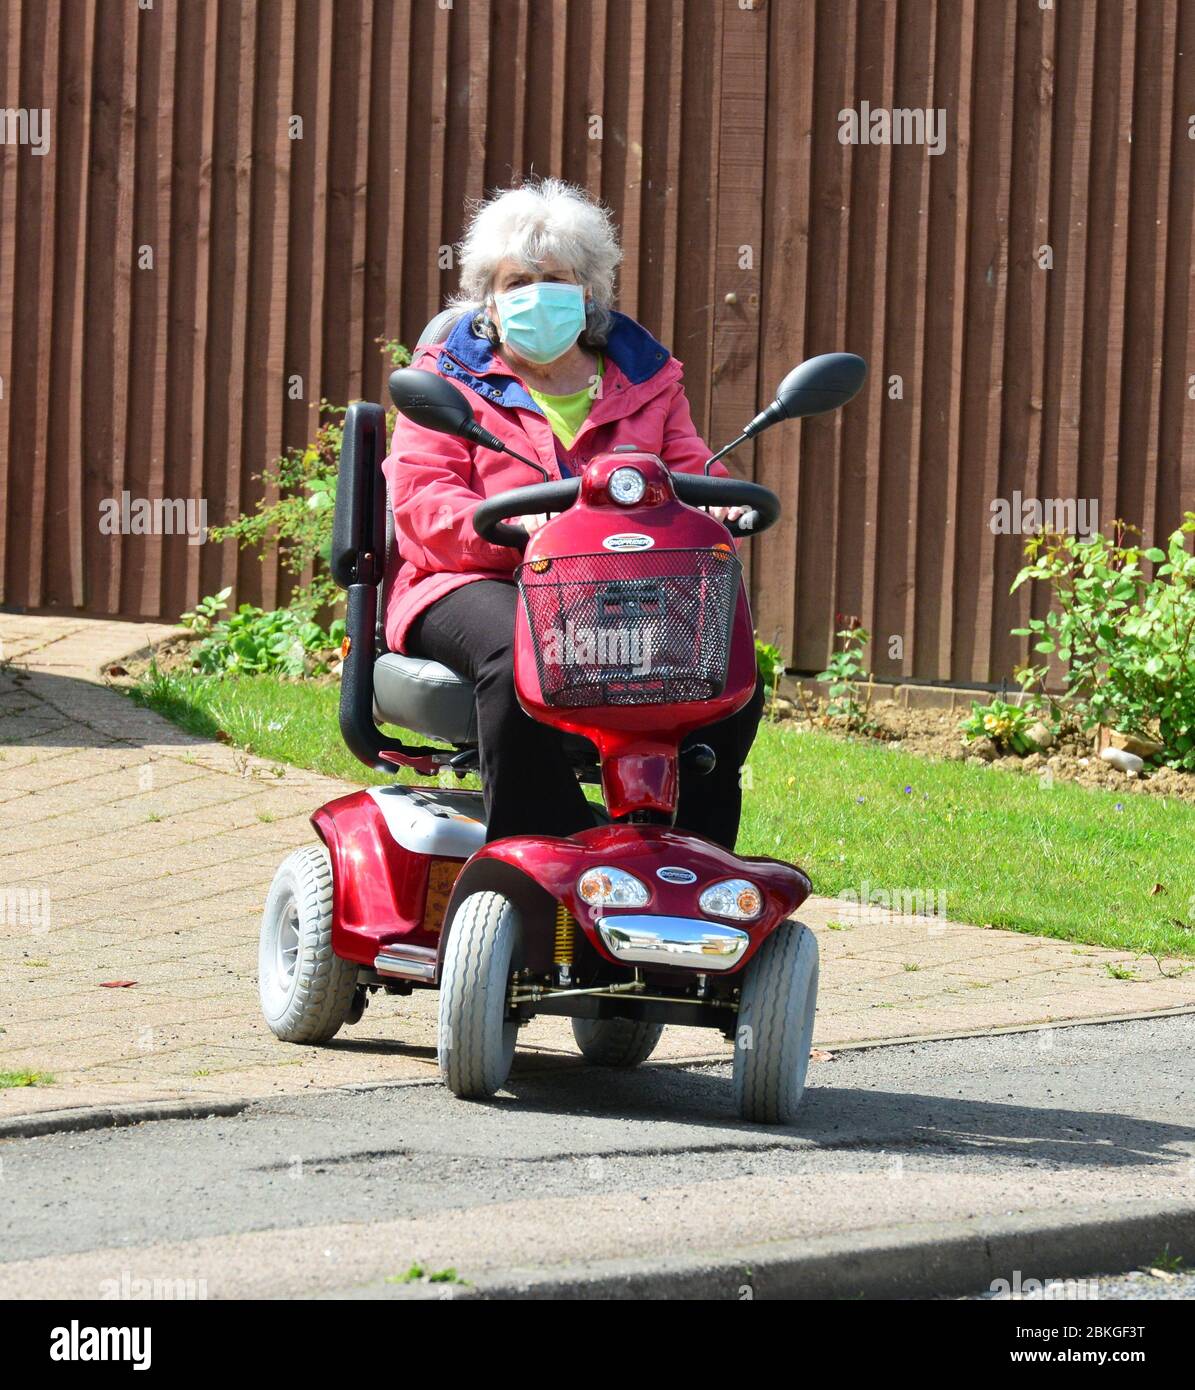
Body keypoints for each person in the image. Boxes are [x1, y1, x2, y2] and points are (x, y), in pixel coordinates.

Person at [382, 178, 763, 845]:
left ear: (586, 291)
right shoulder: (445, 377)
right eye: (514, 281)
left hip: (615, 584)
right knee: (524, 654)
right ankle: (538, 861)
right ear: (488, 298)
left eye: (551, 277)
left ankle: (690, 862)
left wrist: (719, 505)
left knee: (725, 667)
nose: (533, 294)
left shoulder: (645, 379)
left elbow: (691, 467)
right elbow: (422, 502)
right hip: (474, 579)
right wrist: (509, 531)